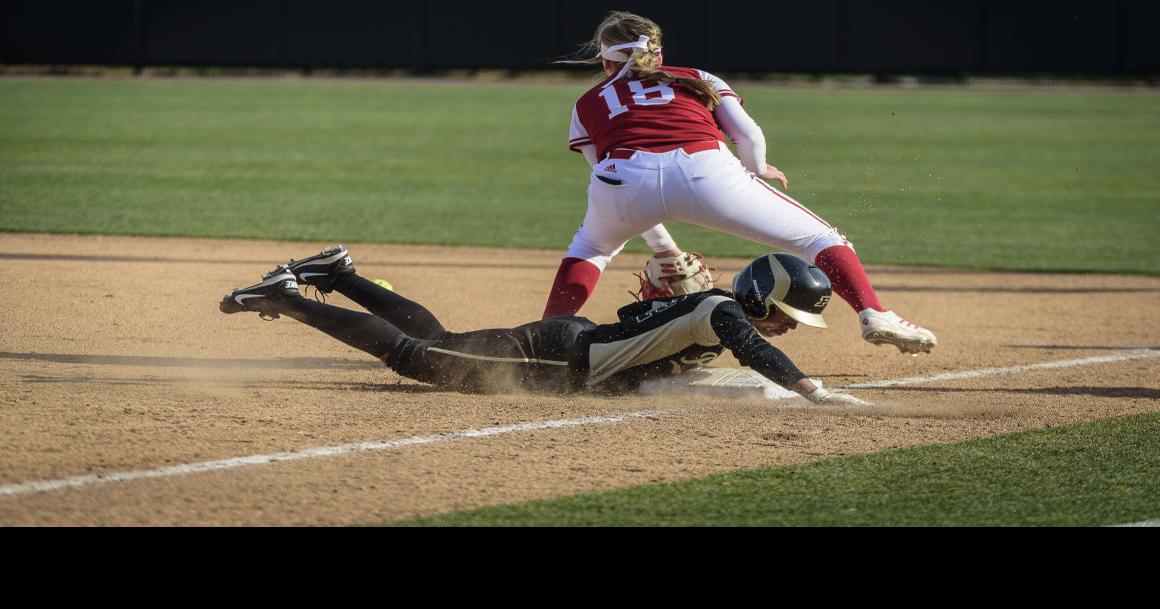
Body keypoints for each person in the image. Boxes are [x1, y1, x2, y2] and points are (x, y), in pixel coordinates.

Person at [542, 11, 937, 356]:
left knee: (591, 249)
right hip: (706, 171)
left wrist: (665, 248)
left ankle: (542, 338)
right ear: (660, 53)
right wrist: (757, 168)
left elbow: (610, 176)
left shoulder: (588, 102)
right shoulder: (697, 77)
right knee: (820, 239)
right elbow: (747, 136)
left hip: (621, 179)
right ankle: (873, 313)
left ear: (606, 61)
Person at [219, 246, 870, 406]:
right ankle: (292, 296)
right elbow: (751, 348)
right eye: (787, 314)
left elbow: (639, 331)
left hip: (568, 343)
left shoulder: (714, 306)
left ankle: (336, 273)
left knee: (440, 340)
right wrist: (805, 387)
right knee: (424, 360)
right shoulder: (724, 311)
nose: (789, 327)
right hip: (562, 361)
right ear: (760, 300)